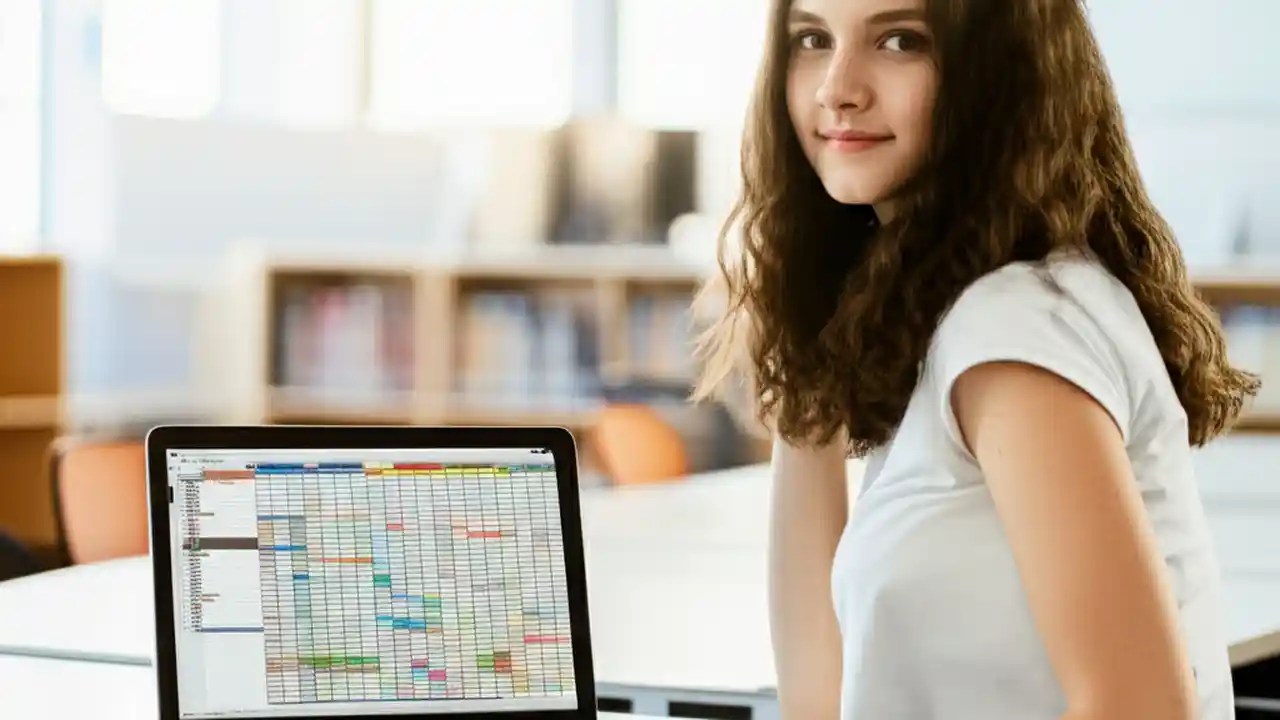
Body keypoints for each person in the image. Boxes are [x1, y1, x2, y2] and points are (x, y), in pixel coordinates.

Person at [691, 0, 1259, 718]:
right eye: (811, 39)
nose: (838, 86)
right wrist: (808, 331)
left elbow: (1140, 707)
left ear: (999, 70)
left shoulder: (1010, 329)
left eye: (900, 40)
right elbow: (819, 700)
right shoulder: (942, 312)